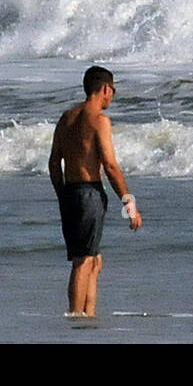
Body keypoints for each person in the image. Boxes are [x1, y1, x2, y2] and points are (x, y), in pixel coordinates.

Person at [48, 66, 142, 317]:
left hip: (69, 191)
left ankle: (87, 316)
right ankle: (75, 315)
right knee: (84, 261)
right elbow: (110, 166)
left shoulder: (66, 118)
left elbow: (54, 162)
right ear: (104, 89)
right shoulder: (100, 121)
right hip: (89, 193)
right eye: (113, 90)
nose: (113, 95)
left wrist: (62, 195)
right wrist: (129, 203)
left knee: (93, 259)